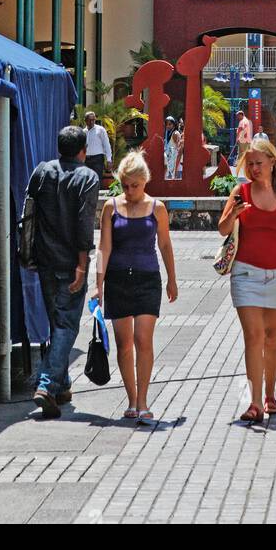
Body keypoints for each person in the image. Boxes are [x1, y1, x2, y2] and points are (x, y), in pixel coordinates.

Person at [218, 134, 276, 422]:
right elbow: (222, 228)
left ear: (271, 162)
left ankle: (270, 394)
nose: (254, 168)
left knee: (273, 337)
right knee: (253, 336)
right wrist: (235, 213)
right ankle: (254, 403)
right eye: (249, 163)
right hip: (245, 272)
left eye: (259, 163)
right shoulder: (240, 192)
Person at [96, 151, 177, 424]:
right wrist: (98, 284)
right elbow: (103, 247)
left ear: (145, 182)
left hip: (147, 278)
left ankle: (143, 401)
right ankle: (131, 398)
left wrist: (172, 278)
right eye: (125, 185)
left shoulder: (158, 208)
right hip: (118, 279)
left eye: (135, 186)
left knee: (143, 339)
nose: (130, 191)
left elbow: (165, 244)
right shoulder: (110, 207)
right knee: (123, 344)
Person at [25, 125, 99, 417]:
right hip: (70, 263)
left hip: (44, 259)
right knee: (67, 325)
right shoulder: (87, 178)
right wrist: (82, 264)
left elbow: (28, 212)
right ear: (83, 151)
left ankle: (61, 385)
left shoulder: (42, 171)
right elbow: (83, 225)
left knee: (58, 324)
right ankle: (45, 384)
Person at [84, 110, 113, 181]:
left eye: (93, 120)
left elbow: (106, 144)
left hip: (97, 159)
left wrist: (109, 159)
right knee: (87, 181)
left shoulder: (100, 130)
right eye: (89, 120)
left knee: (97, 180)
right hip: (86, 160)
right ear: (85, 120)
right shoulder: (83, 131)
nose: (92, 122)